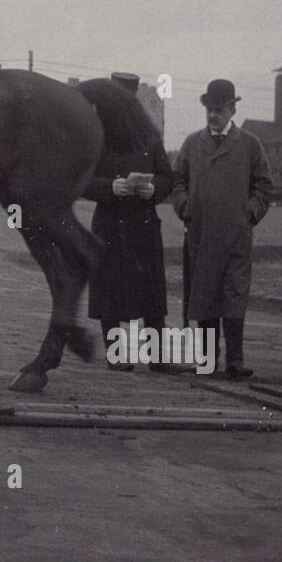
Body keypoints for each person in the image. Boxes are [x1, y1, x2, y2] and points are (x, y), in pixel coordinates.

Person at [171, 79, 273, 380]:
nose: (212, 116)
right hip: (200, 235)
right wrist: (185, 207)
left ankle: (235, 360)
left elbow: (264, 186)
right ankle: (206, 360)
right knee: (204, 296)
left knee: (234, 294)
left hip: (236, 236)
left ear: (232, 109)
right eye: (208, 110)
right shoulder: (191, 144)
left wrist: (250, 213)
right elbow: (177, 181)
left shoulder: (250, 144)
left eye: (218, 110)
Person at [83, 72, 175, 371]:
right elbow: (82, 180)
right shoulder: (95, 135)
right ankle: (116, 353)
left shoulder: (149, 135)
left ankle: (157, 357)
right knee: (110, 291)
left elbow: (166, 177)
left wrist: (154, 190)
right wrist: (109, 188)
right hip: (110, 224)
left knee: (151, 293)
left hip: (143, 224)